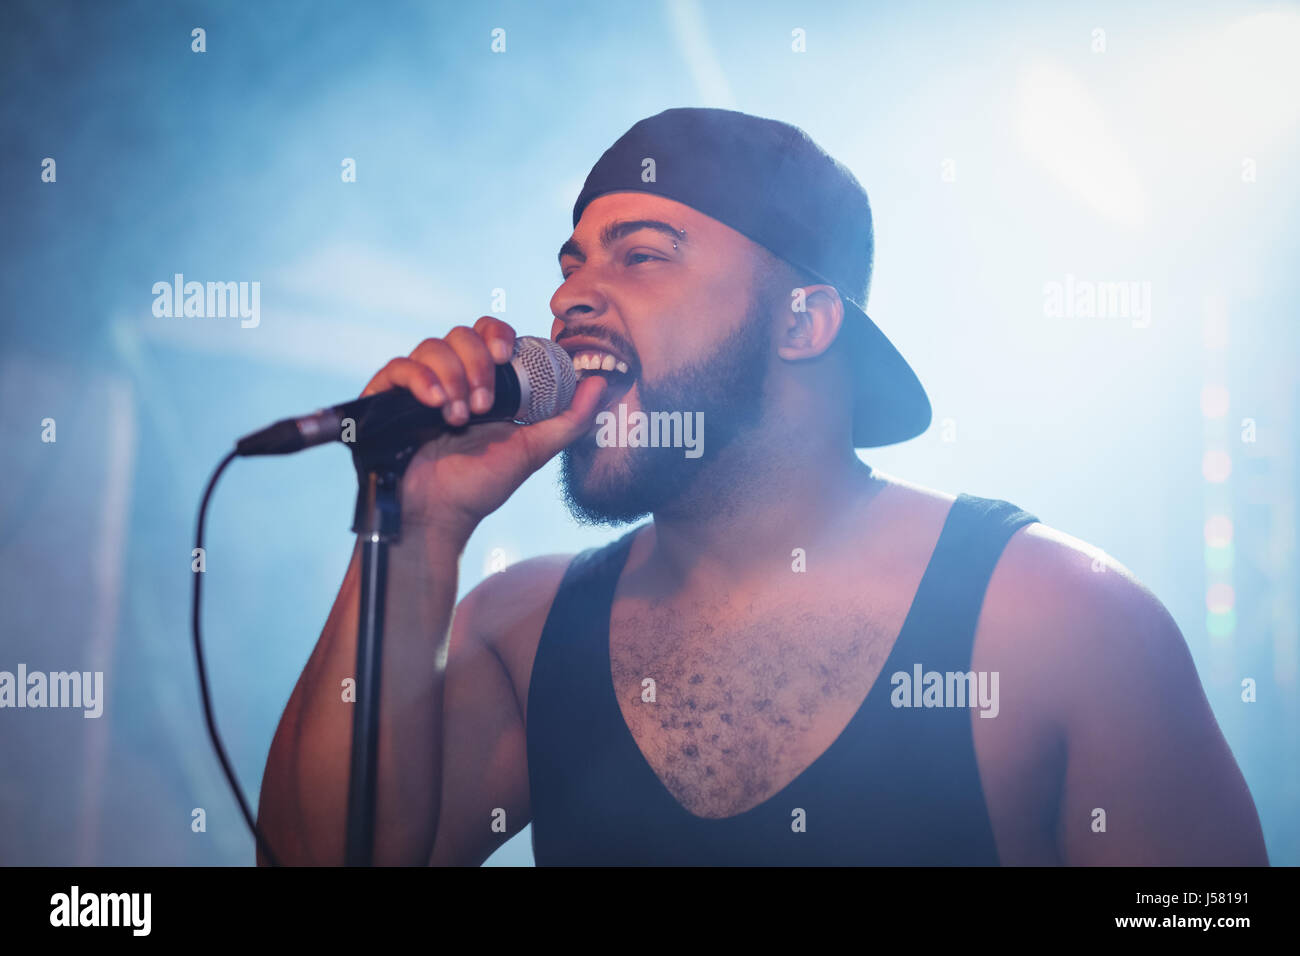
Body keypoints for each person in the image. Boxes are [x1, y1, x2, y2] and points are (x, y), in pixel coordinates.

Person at [257, 108, 1268, 866]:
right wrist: (422, 526)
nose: (569, 297)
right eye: (568, 266)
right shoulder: (525, 628)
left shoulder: (1060, 617)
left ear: (802, 322)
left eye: (642, 255)